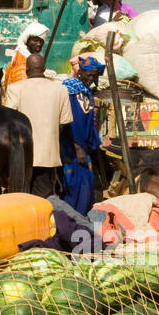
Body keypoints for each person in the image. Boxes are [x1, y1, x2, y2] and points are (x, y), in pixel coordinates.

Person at [5, 52, 73, 198]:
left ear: (26, 70)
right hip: (47, 156)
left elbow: (9, 120)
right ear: (44, 69)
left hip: (21, 155)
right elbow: (64, 122)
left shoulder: (14, 88)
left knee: (20, 198)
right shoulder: (60, 90)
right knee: (43, 197)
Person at [61, 56, 104, 213]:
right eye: (89, 75)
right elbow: (72, 121)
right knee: (76, 184)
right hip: (72, 147)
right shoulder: (72, 91)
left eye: (94, 76)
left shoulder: (84, 92)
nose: (91, 79)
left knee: (86, 184)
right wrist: (78, 146)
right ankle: (73, 219)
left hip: (82, 146)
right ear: (80, 73)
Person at [4, 20, 49, 90]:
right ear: (27, 40)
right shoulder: (22, 58)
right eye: (35, 40)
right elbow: (21, 87)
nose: (39, 44)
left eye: (41, 41)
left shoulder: (28, 55)